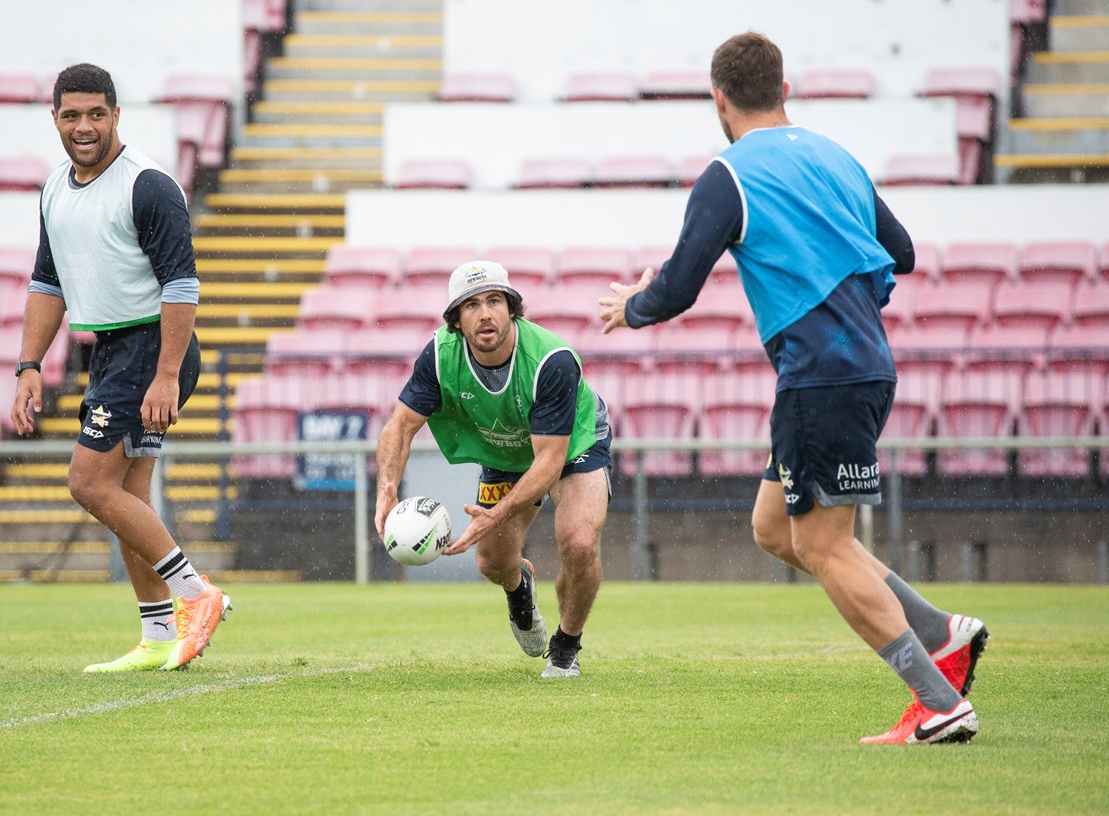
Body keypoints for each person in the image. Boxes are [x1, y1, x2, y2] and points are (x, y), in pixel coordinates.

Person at [598, 32, 987, 743]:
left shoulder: (729, 173)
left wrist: (634, 307)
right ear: (784, 88)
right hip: (866, 365)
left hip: (820, 376)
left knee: (826, 545)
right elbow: (899, 251)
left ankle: (938, 700)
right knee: (776, 529)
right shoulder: (837, 157)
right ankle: (941, 631)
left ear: (719, 100)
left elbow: (681, 286)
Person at [10, 63, 230, 673]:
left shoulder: (149, 186)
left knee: (89, 483)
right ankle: (159, 634)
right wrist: (30, 364)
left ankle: (197, 595)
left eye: (96, 114)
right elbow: (47, 283)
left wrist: (165, 374)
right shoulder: (55, 188)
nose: (84, 126)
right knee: (128, 495)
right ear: (53, 118)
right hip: (108, 350)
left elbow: (182, 286)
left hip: (151, 349)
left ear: (115, 116)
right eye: (71, 115)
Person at [375, 261, 612, 678]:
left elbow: (549, 463)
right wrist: (387, 487)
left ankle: (566, 646)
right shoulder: (439, 356)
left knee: (577, 542)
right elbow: (400, 425)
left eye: (494, 301)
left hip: (573, 445)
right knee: (491, 563)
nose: (485, 313)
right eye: (471, 305)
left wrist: (496, 513)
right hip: (505, 452)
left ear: (512, 309)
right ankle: (518, 588)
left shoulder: (550, 360)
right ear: (456, 322)